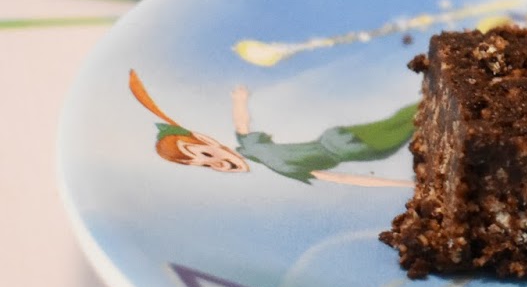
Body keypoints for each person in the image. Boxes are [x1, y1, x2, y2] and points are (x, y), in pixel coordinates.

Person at [130, 69, 414, 187]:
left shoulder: (253, 147)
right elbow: (339, 178)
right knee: (409, 120)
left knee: (410, 118)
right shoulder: (278, 165)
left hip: (346, 141)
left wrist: (239, 99)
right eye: (205, 164)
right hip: (353, 145)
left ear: (207, 140)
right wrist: (398, 184)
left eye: (205, 153)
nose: (217, 162)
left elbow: (241, 122)